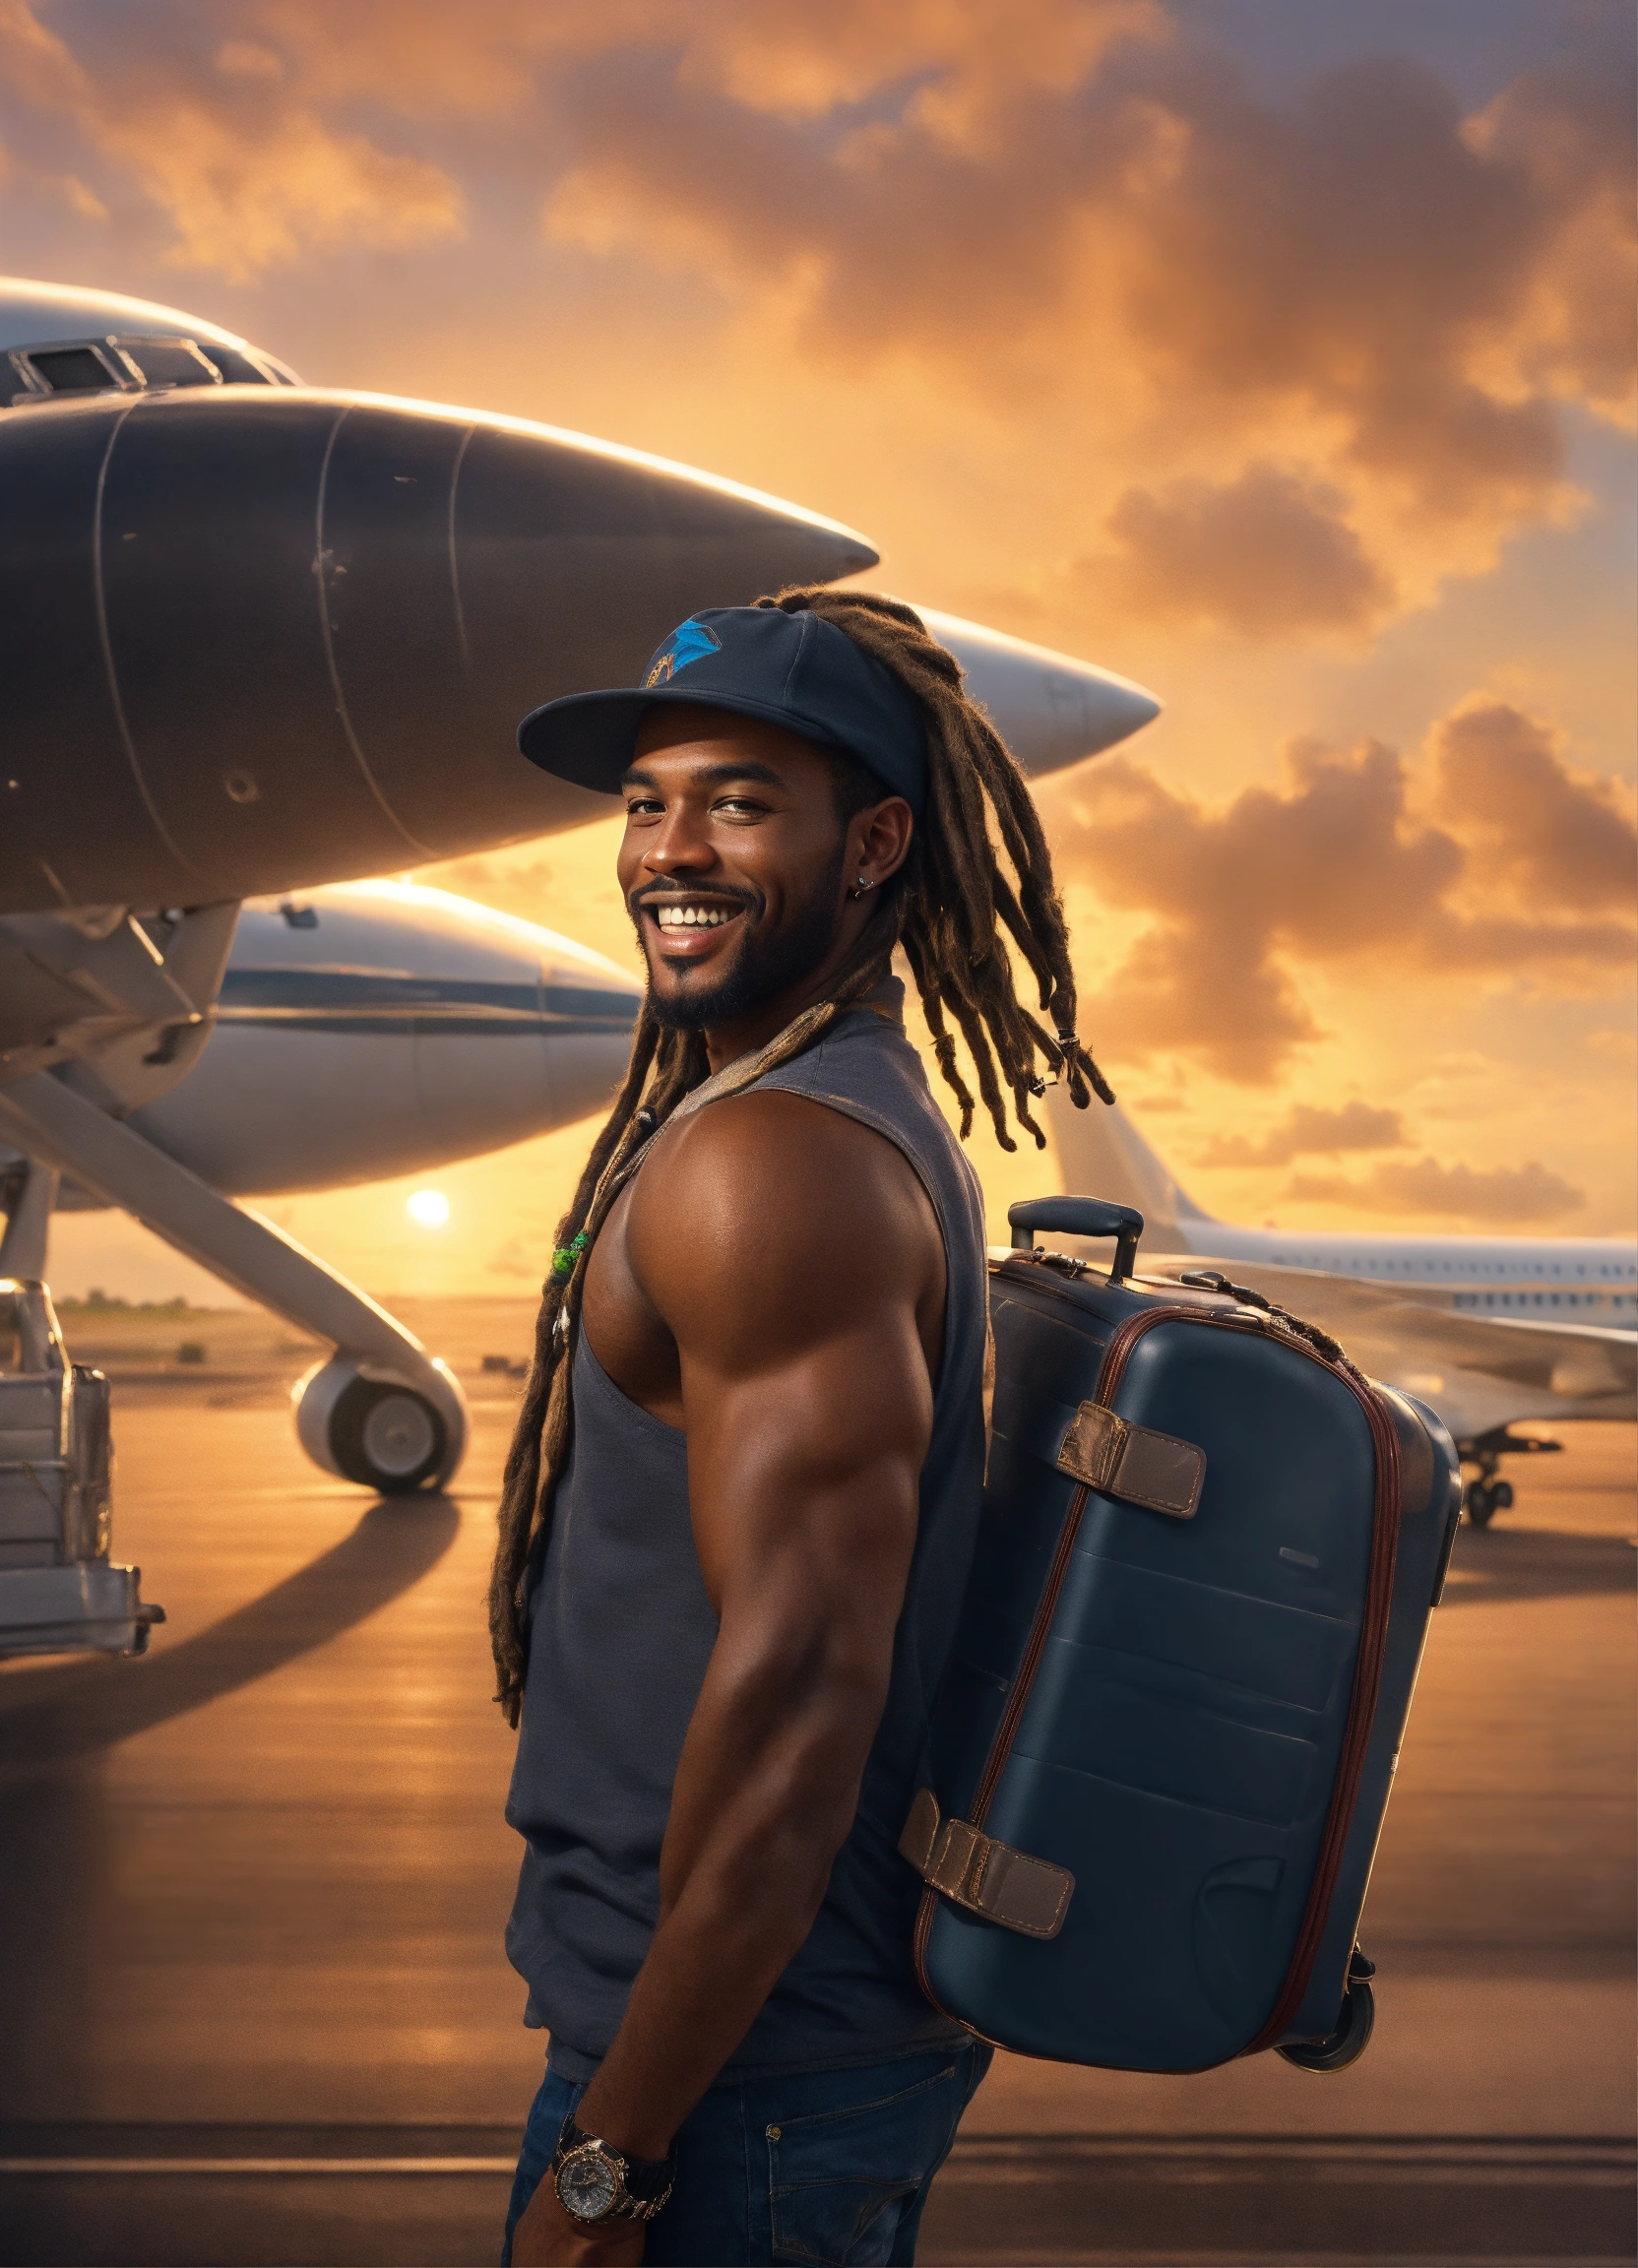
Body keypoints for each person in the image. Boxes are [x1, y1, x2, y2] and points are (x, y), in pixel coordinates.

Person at [492, 591, 1109, 2266]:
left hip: (727, 2099)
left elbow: (797, 1720)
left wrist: (610, 2170)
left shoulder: (774, 1171)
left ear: (875, 844)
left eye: (742, 802)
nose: (670, 851)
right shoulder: (800, 1118)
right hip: (756, 2071)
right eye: (647, 802)